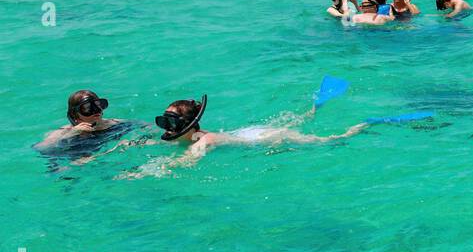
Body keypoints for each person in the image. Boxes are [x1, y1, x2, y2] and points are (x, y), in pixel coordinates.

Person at [123, 96, 367, 178]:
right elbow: (159, 142)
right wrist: (127, 144)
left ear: (189, 125)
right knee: (299, 119)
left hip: (270, 138)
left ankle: (358, 127)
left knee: (326, 141)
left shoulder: (204, 141)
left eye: (171, 123)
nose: (165, 128)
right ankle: (312, 110)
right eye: (163, 121)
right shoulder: (182, 136)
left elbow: (185, 162)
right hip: (245, 133)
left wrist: (142, 173)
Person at [36, 90, 128, 152]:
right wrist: (72, 133)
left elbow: (140, 125)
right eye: (87, 108)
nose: (95, 110)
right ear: (75, 114)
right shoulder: (64, 131)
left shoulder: (113, 123)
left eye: (97, 105)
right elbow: (40, 148)